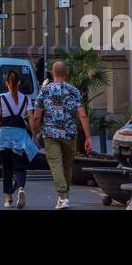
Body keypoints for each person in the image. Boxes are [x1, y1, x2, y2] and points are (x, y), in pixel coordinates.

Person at [33, 60, 93, 209]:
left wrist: (34, 132)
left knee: (56, 164)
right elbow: (83, 115)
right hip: (70, 134)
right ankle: (64, 197)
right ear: (66, 73)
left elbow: (36, 116)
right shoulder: (74, 91)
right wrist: (88, 137)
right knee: (67, 165)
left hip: (50, 134)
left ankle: (62, 196)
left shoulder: (44, 91)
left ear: (52, 73)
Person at [0, 70, 37, 209]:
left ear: (6, 84)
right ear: (18, 83)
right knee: (20, 167)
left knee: (7, 169)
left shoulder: (1, 99)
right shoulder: (26, 99)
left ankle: (8, 200)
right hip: (20, 137)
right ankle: (21, 189)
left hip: (4, 137)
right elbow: (31, 118)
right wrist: (35, 135)